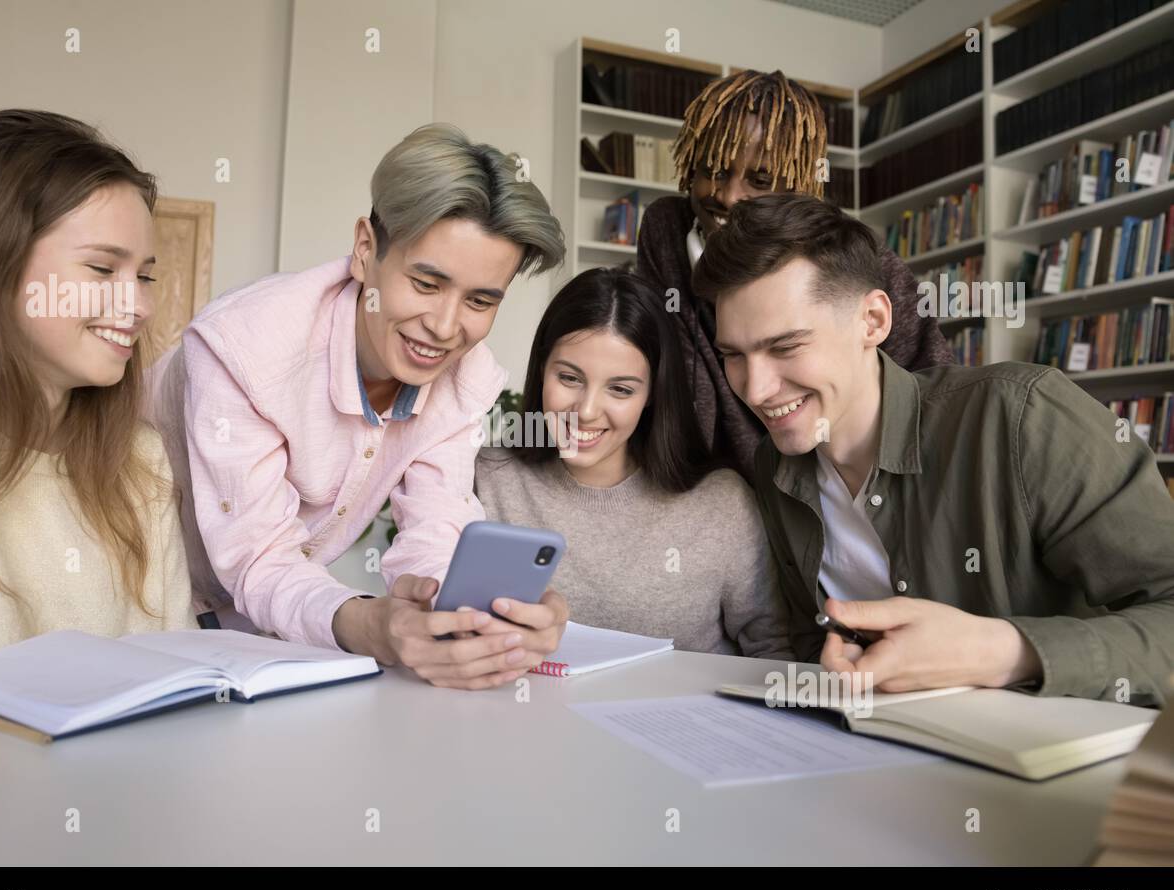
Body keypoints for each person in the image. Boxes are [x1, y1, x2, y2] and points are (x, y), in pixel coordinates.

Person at [695, 192, 1174, 705]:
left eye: (785, 346)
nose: (756, 389)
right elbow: (813, 641)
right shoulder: (774, 464)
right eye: (733, 355)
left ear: (873, 321)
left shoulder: (1021, 416)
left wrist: (1001, 651)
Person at [147, 124, 570, 690]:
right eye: (425, 283)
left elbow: (435, 527)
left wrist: (474, 614)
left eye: (479, 300)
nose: (445, 328)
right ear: (366, 251)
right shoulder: (243, 349)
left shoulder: (465, 381)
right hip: (140, 591)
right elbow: (257, 556)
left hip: (251, 629)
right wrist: (370, 623)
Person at [0, 109, 194, 674]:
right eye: (101, 269)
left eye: (144, 276)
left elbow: (182, 678)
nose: (140, 306)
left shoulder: (141, 457)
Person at [637, 68, 953, 482]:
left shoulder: (850, 254)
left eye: (760, 179)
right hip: (715, 490)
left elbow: (931, 388)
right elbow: (675, 379)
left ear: (801, 182)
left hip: (825, 484)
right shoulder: (667, 228)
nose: (729, 195)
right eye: (712, 170)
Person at [475, 267, 794, 659]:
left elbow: (775, 651)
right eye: (570, 378)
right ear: (542, 370)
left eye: (620, 389)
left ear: (651, 395)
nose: (587, 411)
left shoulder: (720, 503)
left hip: (682, 720)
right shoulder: (487, 479)